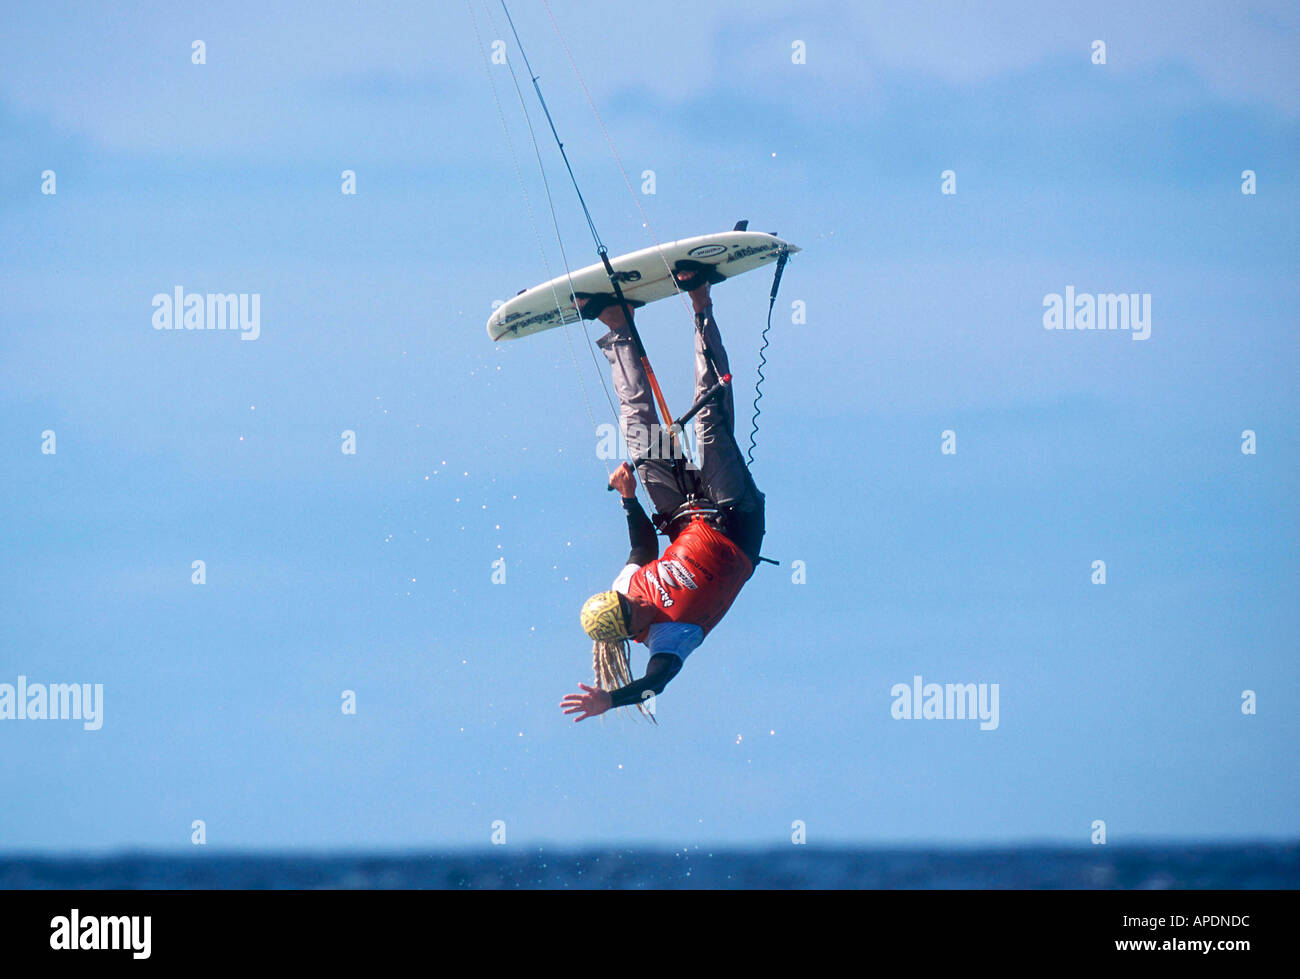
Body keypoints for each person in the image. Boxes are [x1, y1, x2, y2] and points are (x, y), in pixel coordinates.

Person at [560, 270, 766, 722]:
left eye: (625, 599)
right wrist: (609, 700)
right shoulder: (670, 639)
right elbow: (656, 682)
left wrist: (629, 499)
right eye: (631, 610)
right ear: (629, 631)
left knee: (638, 430)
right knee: (710, 416)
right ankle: (700, 301)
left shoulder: (624, 589)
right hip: (734, 524)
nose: (635, 599)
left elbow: (641, 548)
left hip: (683, 517)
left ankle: (618, 324)